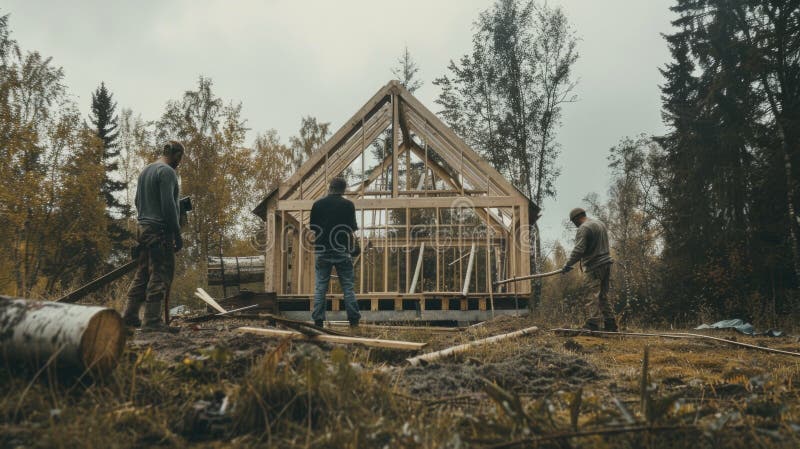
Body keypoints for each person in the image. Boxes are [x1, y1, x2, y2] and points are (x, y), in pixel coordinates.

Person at [121, 141, 184, 332]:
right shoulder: (167, 172)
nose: (179, 162)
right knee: (161, 272)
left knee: (143, 273)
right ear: (177, 155)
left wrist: (146, 220)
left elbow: (137, 201)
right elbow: (169, 206)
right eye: (180, 158)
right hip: (159, 231)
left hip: (143, 228)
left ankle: (130, 317)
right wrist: (176, 234)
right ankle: (152, 322)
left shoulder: (146, 171)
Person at [310, 177, 361, 327]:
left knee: (320, 287)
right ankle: (354, 321)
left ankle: (318, 321)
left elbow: (313, 227)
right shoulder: (348, 205)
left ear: (330, 187)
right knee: (347, 287)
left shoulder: (318, 204)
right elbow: (352, 228)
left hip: (322, 250)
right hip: (342, 251)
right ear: (343, 190)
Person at [562, 207, 617, 331]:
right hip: (606, 264)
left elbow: (578, 250)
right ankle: (611, 324)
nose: (575, 225)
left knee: (592, 295)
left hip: (595, 266)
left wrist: (568, 264)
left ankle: (593, 324)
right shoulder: (600, 224)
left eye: (573, 222)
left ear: (576, 218)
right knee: (603, 295)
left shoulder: (584, 228)